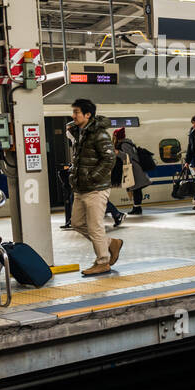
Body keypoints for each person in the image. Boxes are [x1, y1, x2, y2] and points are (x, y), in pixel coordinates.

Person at [67, 98, 123, 276]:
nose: (73, 115)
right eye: (73, 112)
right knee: (77, 223)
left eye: (76, 112)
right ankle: (111, 243)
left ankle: (103, 262)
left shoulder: (99, 134)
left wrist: (93, 178)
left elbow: (109, 159)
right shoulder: (80, 132)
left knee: (95, 226)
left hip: (95, 188)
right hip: (80, 188)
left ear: (88, 114)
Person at [65, 119, 123, 227]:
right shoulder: (77, 139)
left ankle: (115, 215)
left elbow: (107, 159)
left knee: (94, 199)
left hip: (91, 176)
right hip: (83, 177)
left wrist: (94, 176)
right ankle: (116, 214)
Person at [112, 127, 147, 215]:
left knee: (136, 189)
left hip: (133, 169)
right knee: (135, 189)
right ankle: (136, 207)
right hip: (132, 168)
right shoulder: (125, 143)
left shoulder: (124, 144)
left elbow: (128, 156)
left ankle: (137, 208)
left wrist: (117, 153)